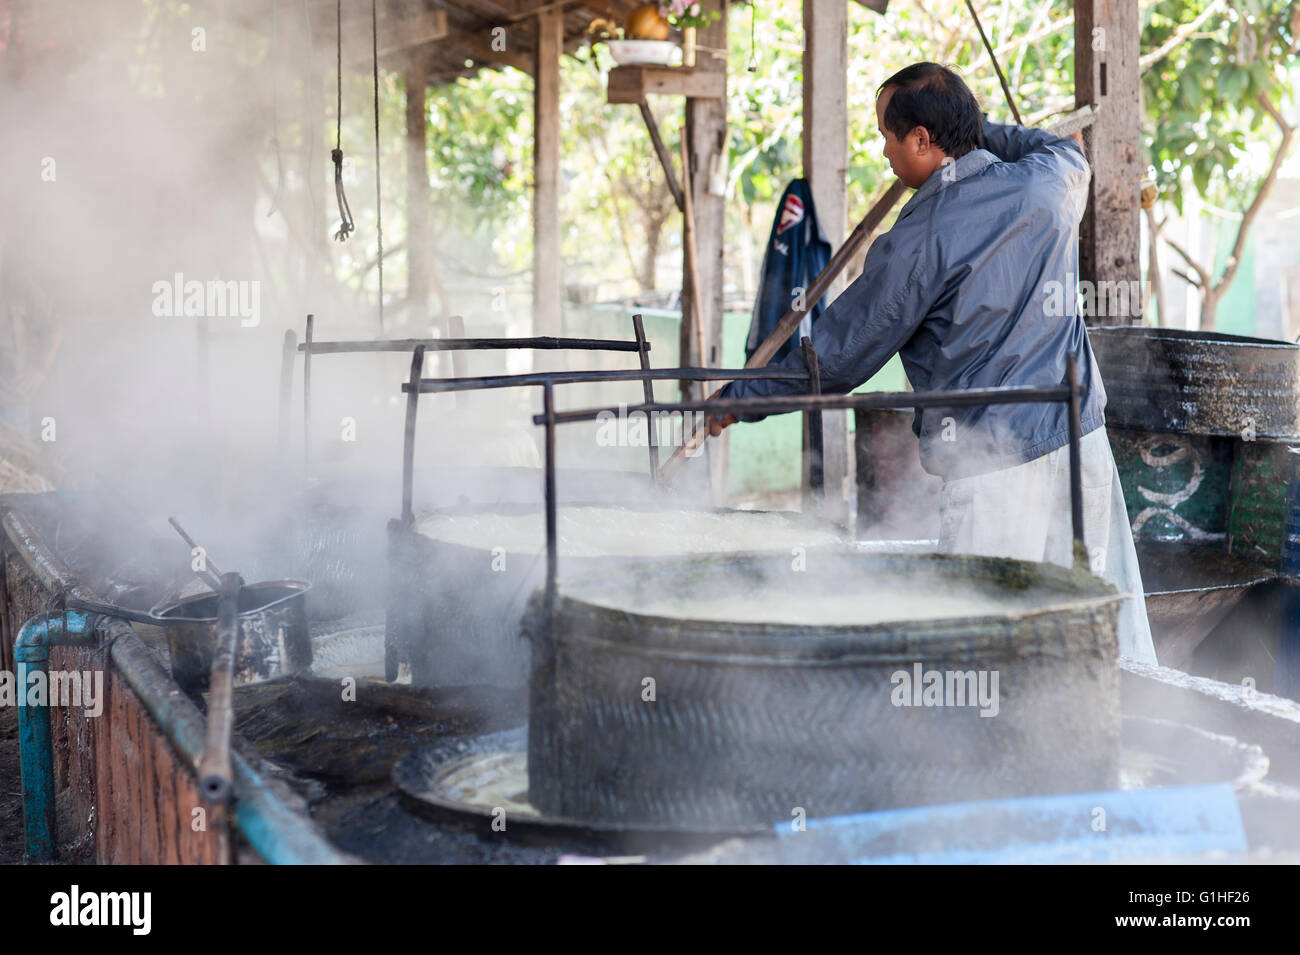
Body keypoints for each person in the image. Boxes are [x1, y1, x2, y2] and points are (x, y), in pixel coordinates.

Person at [711, 61, 1156, 663]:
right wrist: (973, 131)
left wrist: (740, 401)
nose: (885, 151)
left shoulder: (919, 237)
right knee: (1086, 641)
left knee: (983, 650)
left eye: (890, 137)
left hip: (995, 472)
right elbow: (1060, 144)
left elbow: (838, 357)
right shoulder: (1050, 180)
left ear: (922, 140)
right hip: (1083, 445)